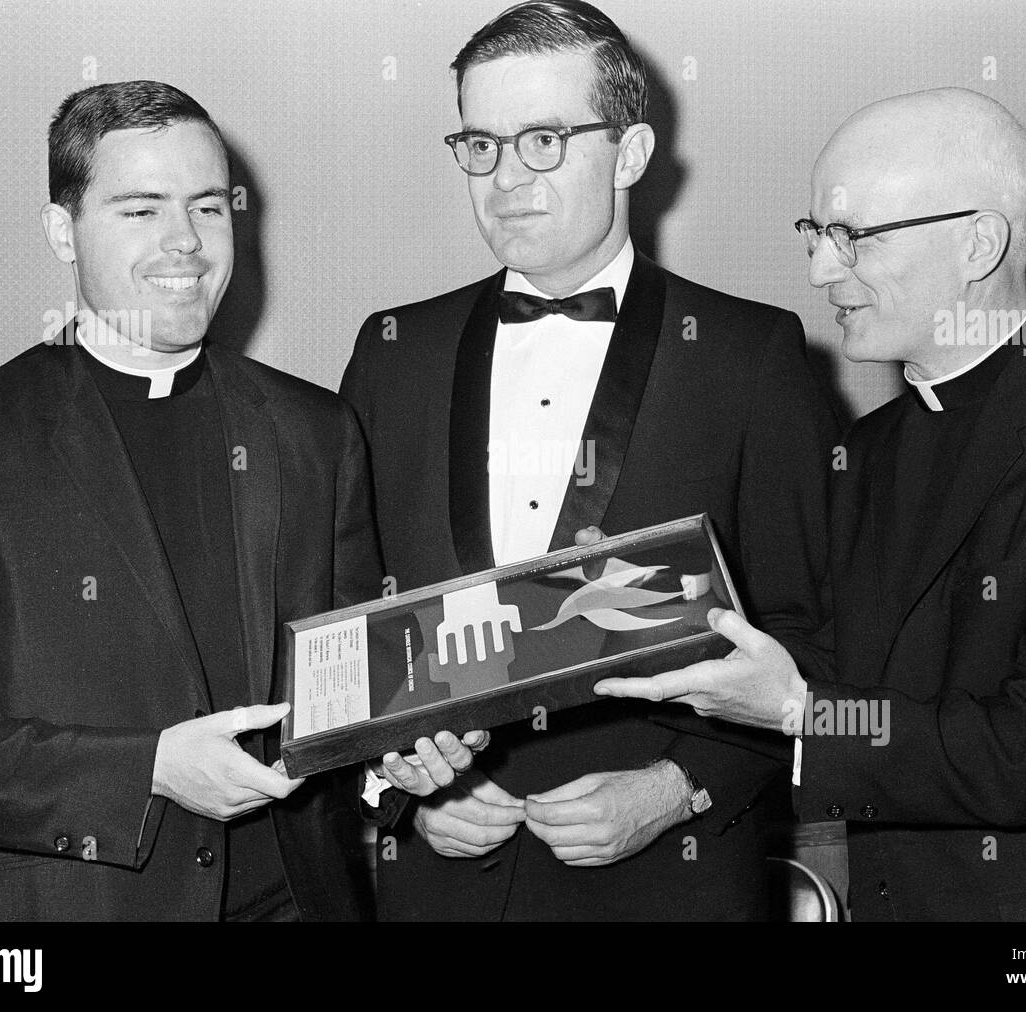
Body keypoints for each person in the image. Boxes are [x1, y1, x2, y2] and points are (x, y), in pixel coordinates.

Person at [597, 87, 1026, 921]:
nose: (818, 271)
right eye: (815, 234)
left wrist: (802, 711)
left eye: (854, 237)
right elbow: (797, 659)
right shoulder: (857, 453)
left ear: (979, 243)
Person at [0, 80, 475, 921]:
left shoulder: (316, 430)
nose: (185, 244)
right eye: (140, 211)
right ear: (63, 230)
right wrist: (150, 769)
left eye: (208, 208)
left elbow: (349, 695)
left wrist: (393, 764)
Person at [341, 0, 838, 920]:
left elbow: (810, 628)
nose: (504, 178)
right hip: (443, 892)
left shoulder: (751, 354)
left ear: (633, 154)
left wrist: (675, 790)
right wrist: (398, 780)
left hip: (670, 885)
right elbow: (346, 620)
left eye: (543, 140)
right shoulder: (392, 348)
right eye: (480, 145)